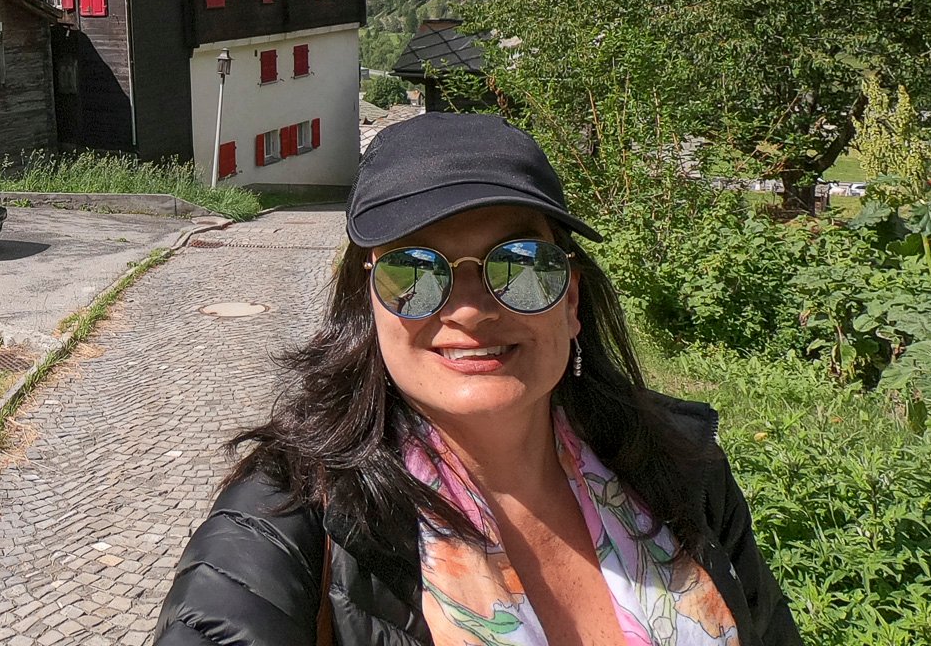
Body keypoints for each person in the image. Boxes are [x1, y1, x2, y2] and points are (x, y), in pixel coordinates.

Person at [154, 112, 800, 646]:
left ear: (571, 299)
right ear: (367, 304)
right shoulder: (281, 523)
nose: (470, 310)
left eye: (520, 264)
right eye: (415, 270)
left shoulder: (682, 471)